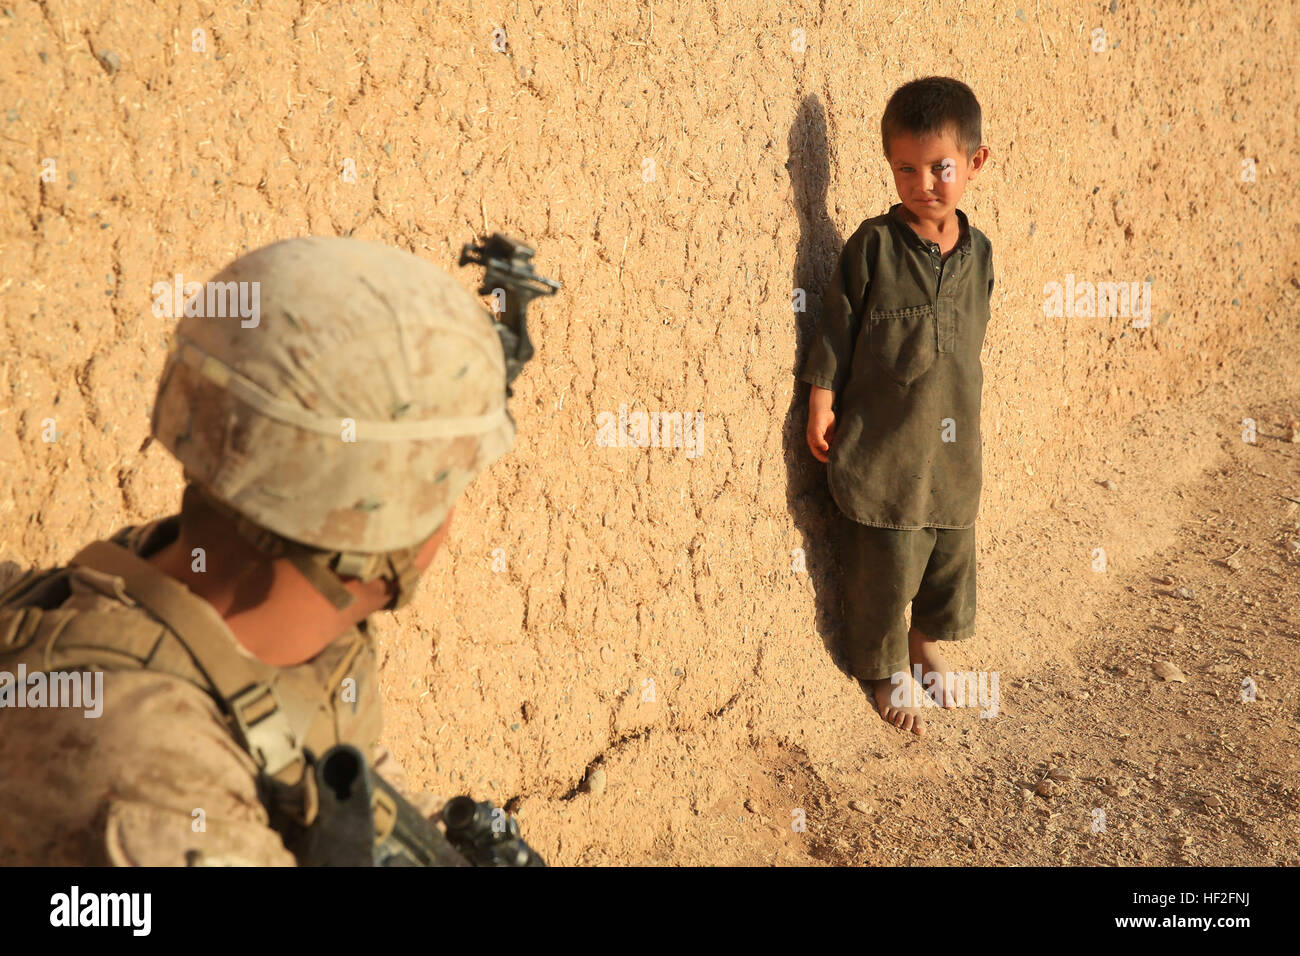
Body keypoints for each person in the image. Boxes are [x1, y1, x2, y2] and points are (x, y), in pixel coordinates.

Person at [0, 236, 519, 864]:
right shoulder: (155, 792)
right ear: (372, 539)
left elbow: (310, 735)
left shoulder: (173, 590)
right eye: (447, 482)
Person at [800, 77, 994, 736]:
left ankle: (922, 643)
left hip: (952, 448)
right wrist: (820, 403)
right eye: (905, 169)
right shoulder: (873, 246)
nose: (924, 184)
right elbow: (835, 327)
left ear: (974, 163)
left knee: (947, 556)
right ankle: (883, 667)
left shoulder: (981, 253)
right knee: (887, 563)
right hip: (886, 449)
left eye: (941, 168)